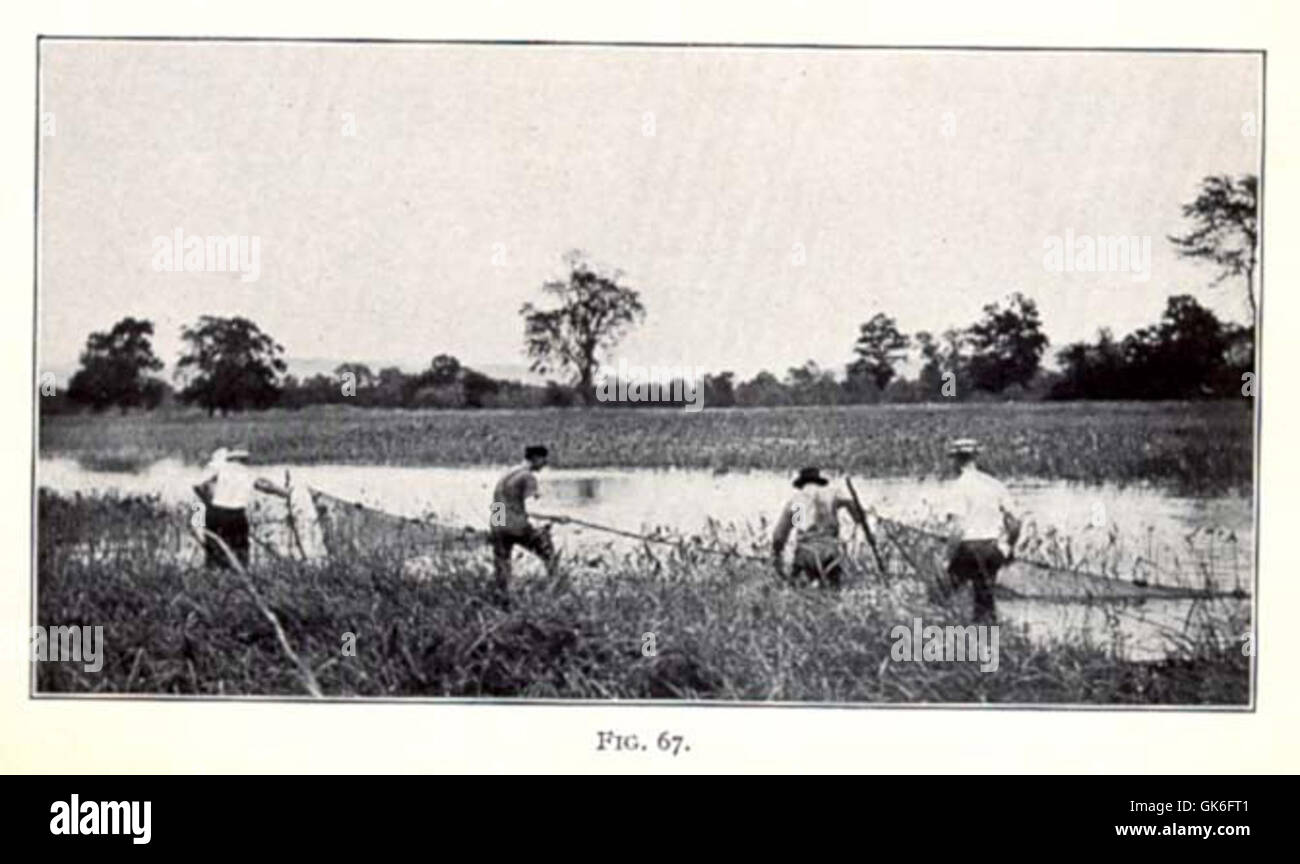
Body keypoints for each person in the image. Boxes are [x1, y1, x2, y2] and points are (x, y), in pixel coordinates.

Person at [938, 438, 1022, 623]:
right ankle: (988, 634)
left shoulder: (959, 487)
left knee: (942, 590)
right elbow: (1015, 522)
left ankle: (945, 626)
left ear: (956, 460)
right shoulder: (994, 484)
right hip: (993, 550)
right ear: (975, 458)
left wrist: (946, 559)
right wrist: (1008, 547)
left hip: (969, 550)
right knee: (984, 595)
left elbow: (958, 529)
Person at [193, 447, 290, 569]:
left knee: (214, 549)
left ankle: (214, 574)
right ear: (242, 459)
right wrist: (283, 492)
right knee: (240, 550)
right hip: (236, 514)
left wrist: (208, 502)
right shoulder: (246, 472)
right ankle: (239, 576)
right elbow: (264, 485)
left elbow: (198, 485)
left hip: (216, 513)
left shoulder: (218, 468)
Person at [489, 445, 563, 594]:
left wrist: (499, 527)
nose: (544, 464)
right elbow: (532, 509)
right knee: (548, 553)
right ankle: (556, 589)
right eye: (543, 460)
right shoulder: (528, 477)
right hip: (516, 526)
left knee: (502, 564)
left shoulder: (506, 474)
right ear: (536, 458)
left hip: (498, 524)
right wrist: (557, 517)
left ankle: (502, 595)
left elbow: (497, 501)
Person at [771, 467, 861, 588]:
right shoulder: (832, 493)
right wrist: (857, 516)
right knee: (834, 592)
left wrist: (777, 554)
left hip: (805, 554)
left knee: (797, 593)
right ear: (818, 481)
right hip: (829, 553)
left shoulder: (797, 501)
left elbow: (779, 535)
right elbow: (852, 505)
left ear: (802, 483)